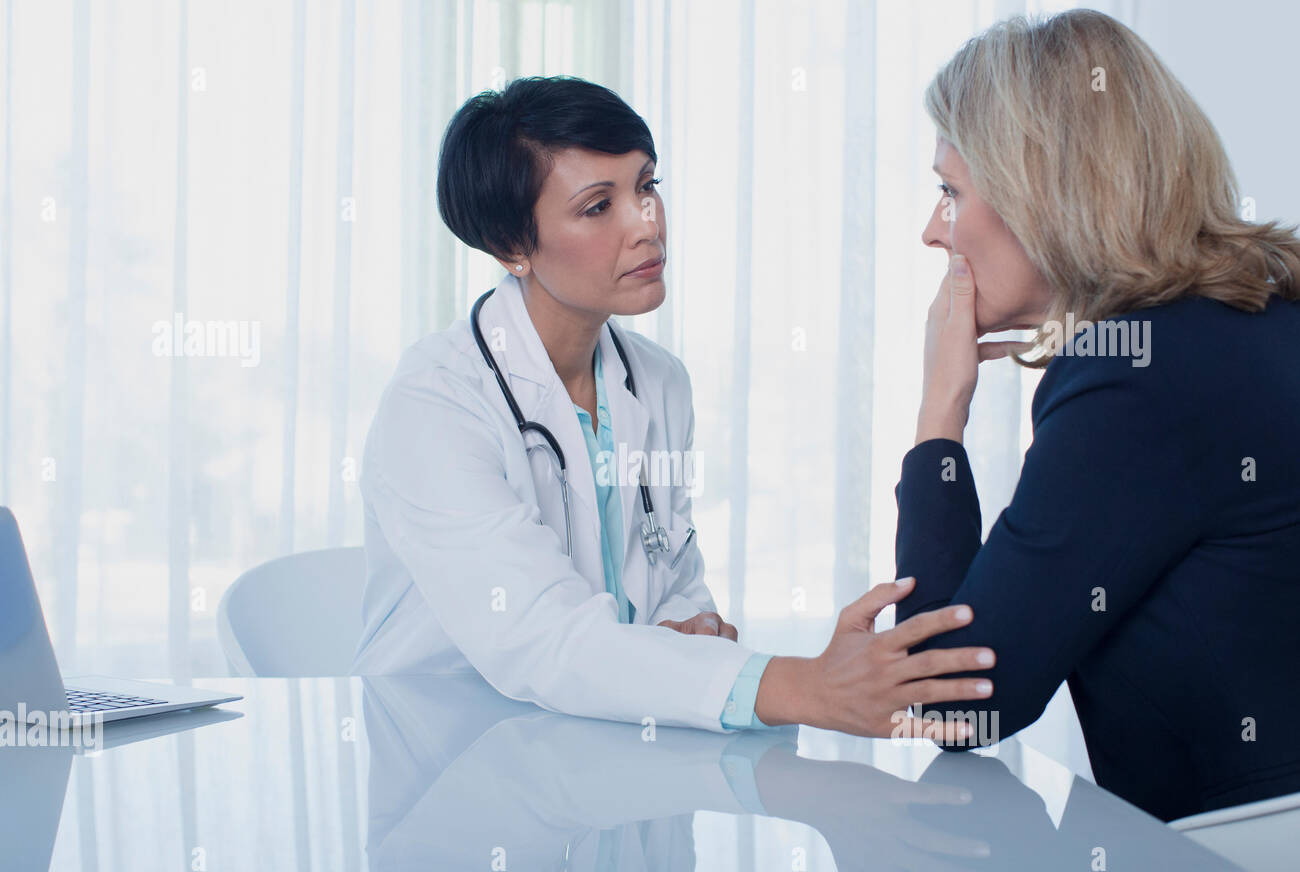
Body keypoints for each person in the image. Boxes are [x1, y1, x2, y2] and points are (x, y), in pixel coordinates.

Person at [352, 76, 993, 739]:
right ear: (513, 247)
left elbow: (673, 577)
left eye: (646, 187)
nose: (646, 224)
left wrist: (692, 629)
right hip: (455, 765)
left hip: (613, 753)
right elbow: (543, 639)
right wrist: (800, 686)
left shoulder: (658, 382)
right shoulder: (435, 407)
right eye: (599, 207)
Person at [895, 10, 1300, 821]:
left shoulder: (1135, 378)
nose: (933, 231)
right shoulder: (1260, 315)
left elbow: (954, 696)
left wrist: (940, 413)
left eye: (950, 192)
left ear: (1038, 190)